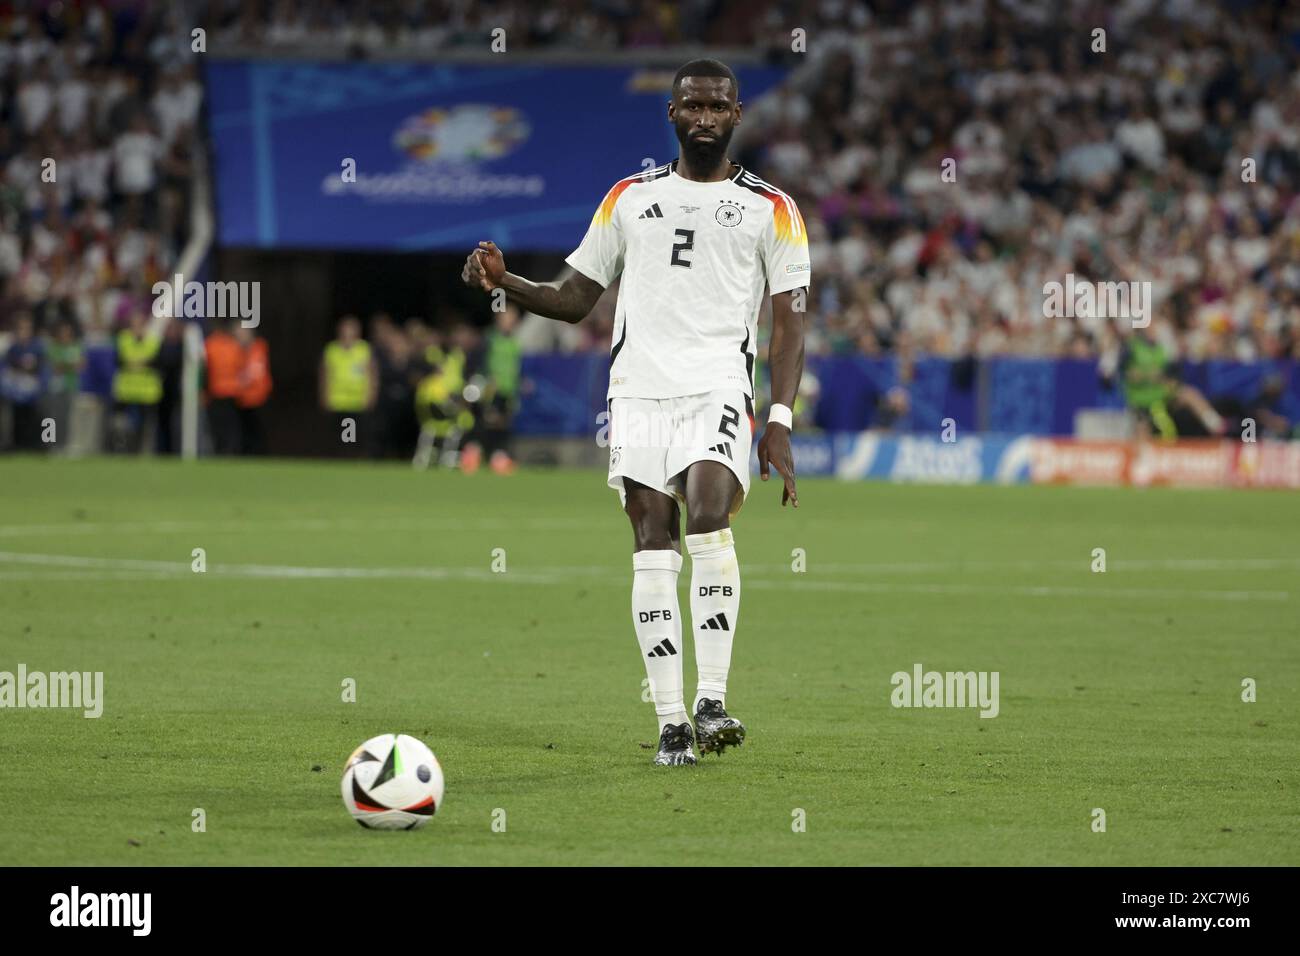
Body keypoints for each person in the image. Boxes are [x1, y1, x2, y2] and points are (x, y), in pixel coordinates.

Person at [461, 59, 810, 766]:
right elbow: (575, 297)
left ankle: (712, 699)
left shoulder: (773, 207)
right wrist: (506, 283)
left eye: (717, 107)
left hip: (716, 383)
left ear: (737, 114)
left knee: (710, 512)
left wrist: (780, 418)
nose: (704, 118)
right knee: (654, 535)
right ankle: (672, 721)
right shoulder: (627, 197)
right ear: (672, 115)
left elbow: (790, 320)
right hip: (638, 391)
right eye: (692, 107)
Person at [320, 315, 376, 456]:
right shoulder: (331, 350)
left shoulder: (364, 349)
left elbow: (372, 375)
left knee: (356, 437)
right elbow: (325, 375)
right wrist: (324, 396)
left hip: (357, 401)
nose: (347, 335)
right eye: (345, 332)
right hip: (337, 400)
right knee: (338, 437)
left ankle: (356, 460)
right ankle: (339, 460)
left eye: (351, 332)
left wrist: (370, 395)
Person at [111, 309, 162, 454]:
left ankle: (142, 450)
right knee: (122, 422)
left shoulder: (153, 340)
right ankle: (121, 447)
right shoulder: (123, 338)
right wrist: (140, 363)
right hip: (126, 389)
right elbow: (119, 360)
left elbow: (156, 361)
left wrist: (134, 363)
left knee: (145, 424)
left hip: (147, 390)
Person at [2, 314, 48, 450]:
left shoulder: (37, 347)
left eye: (27, 329)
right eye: (21, 329)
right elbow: (8, 368)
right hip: (16, 391)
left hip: (34, 391)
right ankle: (16, 443)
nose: (24, 332)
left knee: (33, 417)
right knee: (16, 417)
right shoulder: (13, 348)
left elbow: (42, 367)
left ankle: (35, 443)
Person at [204, 318, 244, 455]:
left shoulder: (209, 344)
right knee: (231, 425)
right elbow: (241, 367)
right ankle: (231, 451)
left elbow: (205, 370)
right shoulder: (234, 345)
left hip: (216, 391)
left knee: (217, 425)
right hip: (232, 391)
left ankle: (220, 451)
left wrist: (204, 390)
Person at [235, 322, 272, 455]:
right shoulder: (236, 350)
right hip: (241, 400)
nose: (240, 336)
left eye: (243, 333)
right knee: (244, 434)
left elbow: (254, 373)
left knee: (258, 433)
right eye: (238, 333)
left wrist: (241, 379)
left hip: (258, 399)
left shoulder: (258, 348)